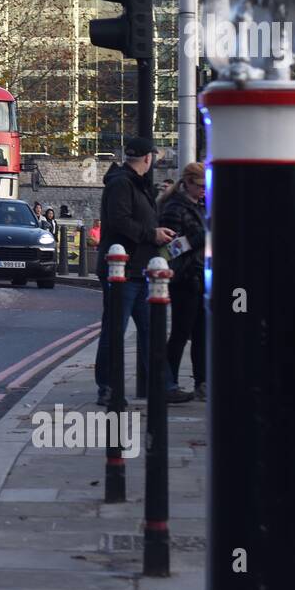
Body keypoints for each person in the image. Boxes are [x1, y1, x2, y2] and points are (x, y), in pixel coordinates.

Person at [94, 137, 192, 405]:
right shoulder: (121, 183)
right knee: (114, 330)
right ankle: (108, 388)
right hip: (122, 270)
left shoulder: (135, 183)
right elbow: (119, 221)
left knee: (153, 330)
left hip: (140, 270)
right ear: (148, 158)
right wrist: (153, 234)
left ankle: (163, 385)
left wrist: (158, 233)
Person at [158, 162, 208, 400]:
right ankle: (168, 383)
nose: (203, 190)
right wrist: (201, 236)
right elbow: (169, 249)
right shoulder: (174, 208)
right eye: (199, 186)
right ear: (187, 182)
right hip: (184, 277)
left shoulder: (199, 205)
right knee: (181, 332)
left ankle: (202, 382)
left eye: (206, 186)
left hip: (199, 275)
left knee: (201, 333)